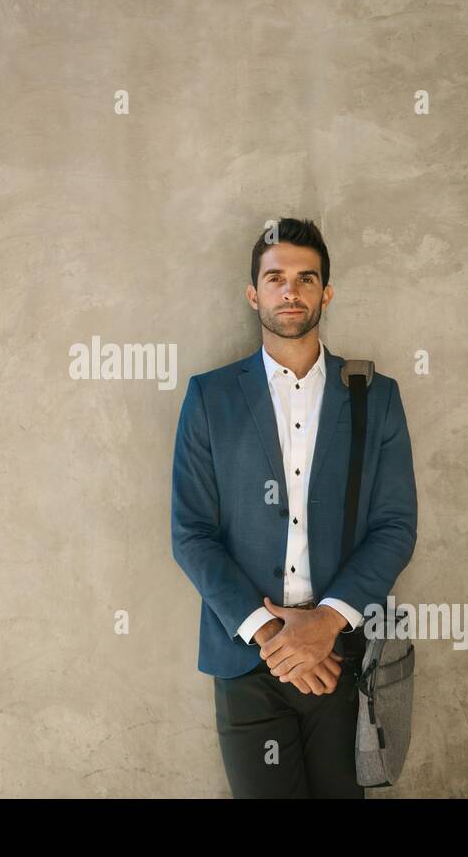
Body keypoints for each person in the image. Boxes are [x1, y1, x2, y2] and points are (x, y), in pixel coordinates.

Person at [170, 217, 417, 798]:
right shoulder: (210, 397)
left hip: (343, 655)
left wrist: (325, 623)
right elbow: (191, 533)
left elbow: (395, 527)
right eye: (275, 277)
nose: (291, 290)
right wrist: (275, 637)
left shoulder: (375, 397)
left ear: (326, 292)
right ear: (253, 292)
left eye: (307, 278)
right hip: (245, 660)